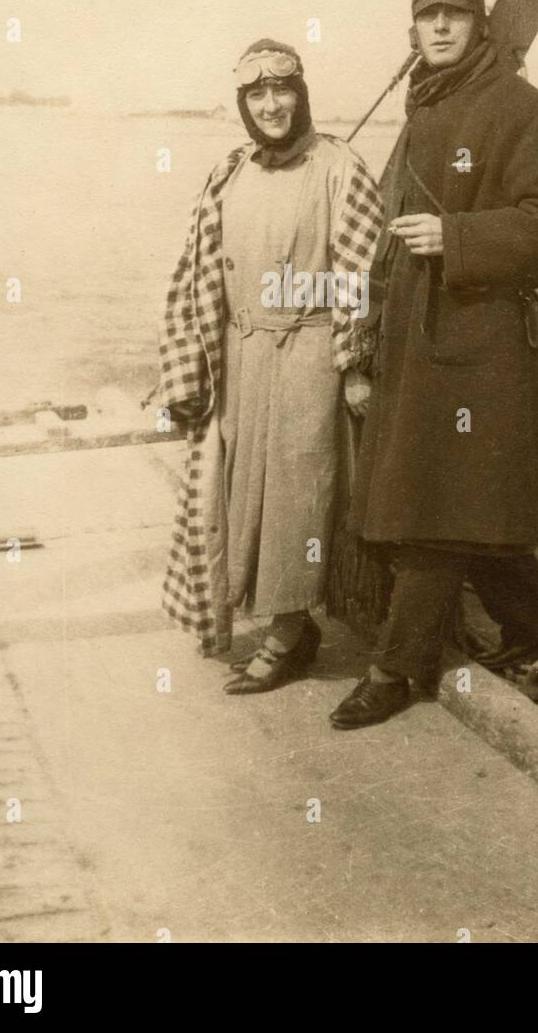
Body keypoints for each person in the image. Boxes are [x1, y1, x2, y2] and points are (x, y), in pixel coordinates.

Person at [329, 0, 538, 730]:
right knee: (469, 500)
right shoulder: (427, 104)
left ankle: (395, 669)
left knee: (437, 508)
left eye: (454, 15)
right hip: (424, 339)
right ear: (412, 30)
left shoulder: (520, 107)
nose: (440, 28)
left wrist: (458, 236)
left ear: (479, 25)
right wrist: (367, 341)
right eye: (427, 17)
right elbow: (385, 239)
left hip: (488, 348)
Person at [158, 39, 382, 693]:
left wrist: (353, 365)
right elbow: (195, 273)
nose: (271, 104)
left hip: (307, 354)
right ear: (243, 104)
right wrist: (190, 371)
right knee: (236, 495)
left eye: (281, 89)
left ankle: (288, 630)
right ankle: (284, 622)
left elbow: (357, 276)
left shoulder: (339, 167)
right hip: (240, 356)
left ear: (301, 92)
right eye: (256, 94)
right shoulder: (229, 171)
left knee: (297, 499)